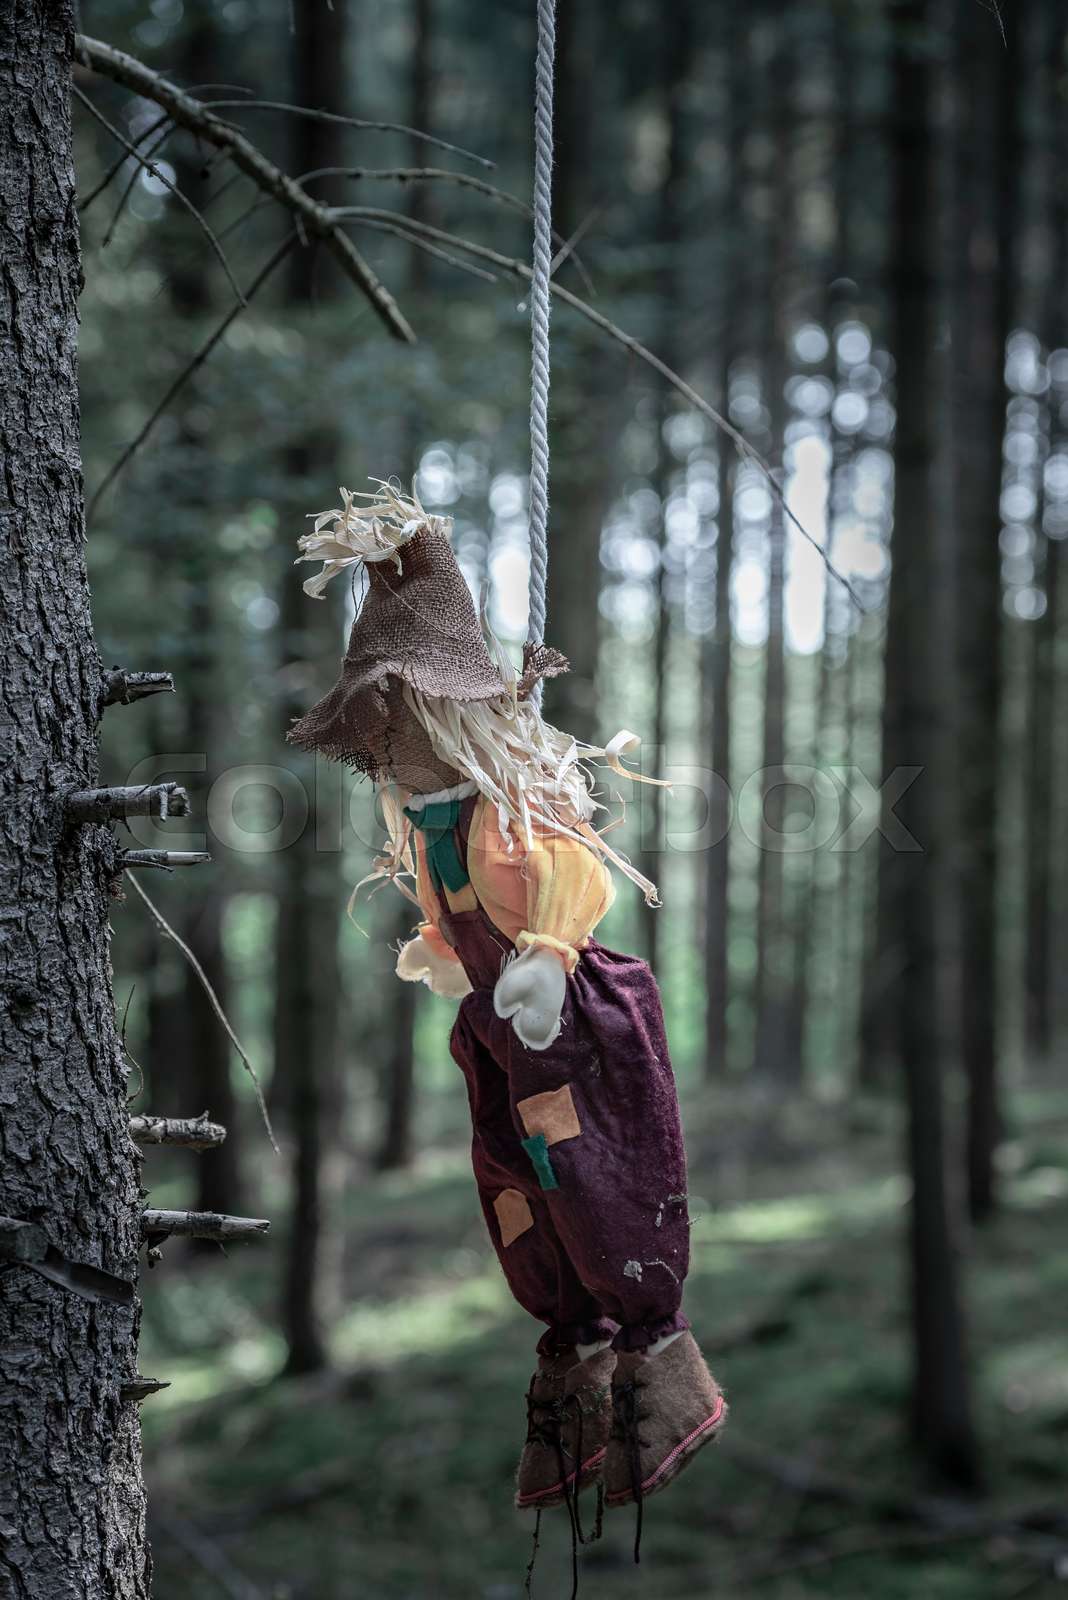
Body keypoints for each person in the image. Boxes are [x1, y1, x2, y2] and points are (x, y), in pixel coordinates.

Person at [289, 482, 726, 1520]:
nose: (379, 744)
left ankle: (660, 1358)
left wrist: (540, 953)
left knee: (598, 1170)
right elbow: (453, 911)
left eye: (392, 712)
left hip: (573, 1022)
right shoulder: (430, 828)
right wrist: (449, 953)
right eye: (372, 722)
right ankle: (575, 1357)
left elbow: (579, 875)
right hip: (500, 1030)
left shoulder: (502, 814)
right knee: (518, 1180)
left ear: (447, 707)